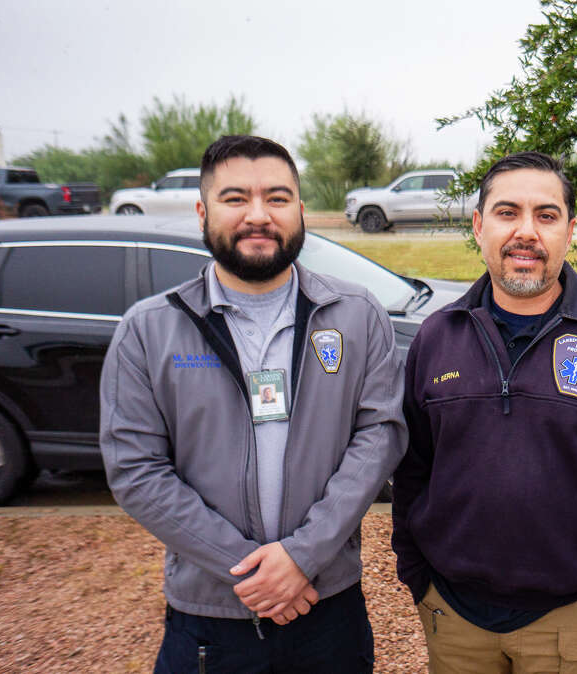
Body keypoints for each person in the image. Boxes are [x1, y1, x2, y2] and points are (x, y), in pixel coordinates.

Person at [100, 135, 405, 673]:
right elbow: (136, 469)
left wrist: (303, 557)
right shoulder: (149, 330)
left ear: (301, 210)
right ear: (203, 211)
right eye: (236, 198)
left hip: (327, 609)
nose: (258, 215)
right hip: (210, 620)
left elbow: (379, 436)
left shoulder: (357, 315)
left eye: (278, 198)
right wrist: (254, 571)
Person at [392, 151, 577, 672]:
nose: (526, 231)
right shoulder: (436, 339)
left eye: (546, 216)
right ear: (479, 227)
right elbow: (412, 471)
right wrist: (418, 576)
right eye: (507, 213)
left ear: (570, 231)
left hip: (569, 620)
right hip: (453, 620)